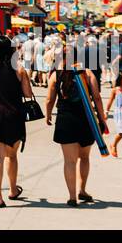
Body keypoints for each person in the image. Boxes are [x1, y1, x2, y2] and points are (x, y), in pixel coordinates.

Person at [46, 55, 106, 206]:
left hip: (65, 119)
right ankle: (82, 190)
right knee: (84, 157)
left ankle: (72, 197)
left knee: (69, 161)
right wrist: (102, 119)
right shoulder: (87, 73)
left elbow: (49, 99)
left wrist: (48, 115)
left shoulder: (56, 74)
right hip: (86, 119)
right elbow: (97, 98)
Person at [0, 36, 32, 206]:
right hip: (13, 115)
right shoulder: (19, 69)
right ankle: (12, 190)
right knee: (12, 155)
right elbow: (28, 94)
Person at [105, 71, 122, 158]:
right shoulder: (115, 90)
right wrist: (106, 111)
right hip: (119, 114)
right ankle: (113, 144)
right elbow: (110, 101)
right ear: (120, 79)